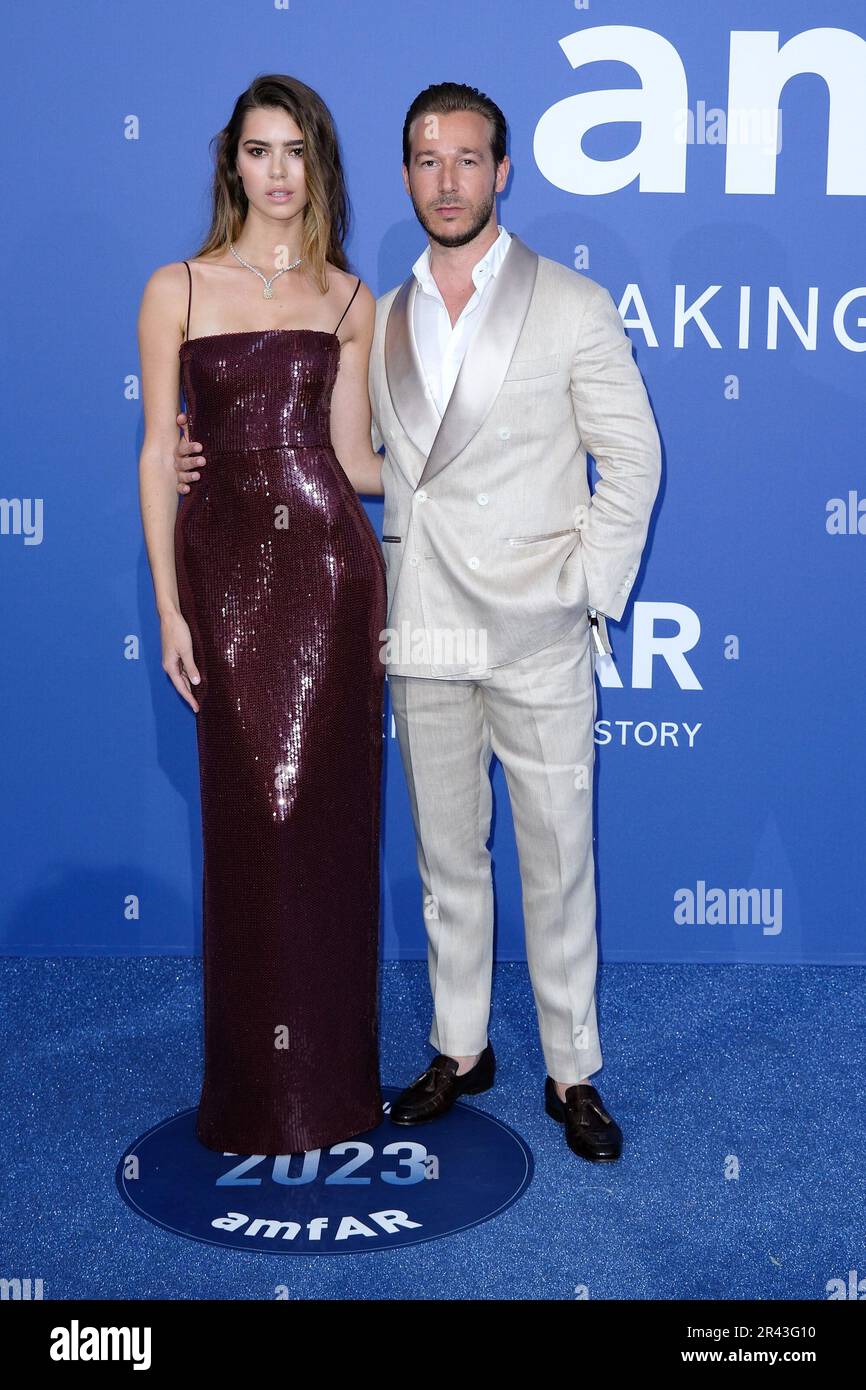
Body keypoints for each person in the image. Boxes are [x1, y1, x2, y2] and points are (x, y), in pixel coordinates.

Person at [175, 82, 661, 1165]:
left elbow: (632, 458)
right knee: (447, 854)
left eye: (467, 160)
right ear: (404, 177)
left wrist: (584, 584)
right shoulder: (372, 313)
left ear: (501, 172)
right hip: (421, 623)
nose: (447, 181)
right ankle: (457, 1045)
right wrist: (220, 451)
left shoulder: (570, 304)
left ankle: (571, 1068)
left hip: (537, 628)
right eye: (427, 162)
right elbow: (356, 465)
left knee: (555, 858)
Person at [137, 73, 388, 1156]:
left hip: (329, 577)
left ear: (317, 165)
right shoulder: (177, 289)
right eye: (257, 150)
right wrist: (168, 607)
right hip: (224, 580)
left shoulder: (348, 297)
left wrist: (480, 461)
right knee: (251, 831)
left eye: (295, 151)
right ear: (230, 163)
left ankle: (332, 1090)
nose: (276, 172)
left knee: (326, 833)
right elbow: (158, 453)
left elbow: (354, 462)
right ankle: (249, 1095)